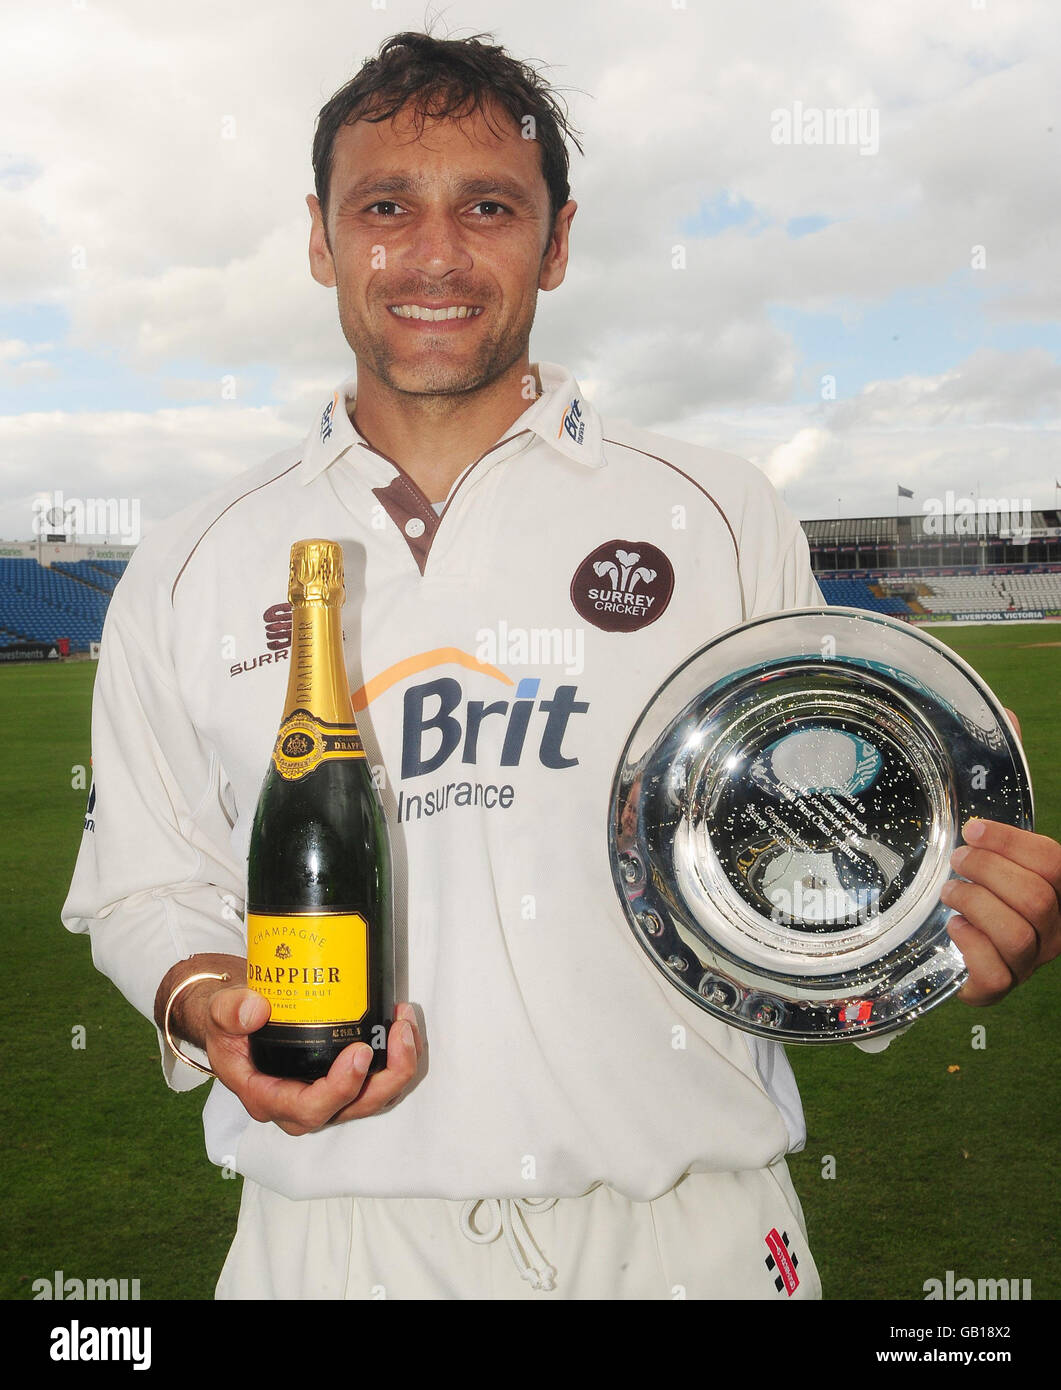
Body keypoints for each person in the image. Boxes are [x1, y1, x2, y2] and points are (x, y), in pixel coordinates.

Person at [61, 30, 1061, 1301]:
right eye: (384, 207)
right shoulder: (192, 559)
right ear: (319, 238)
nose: (433, 254)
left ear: (558, 240)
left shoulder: (716, 513)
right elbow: (146, 887)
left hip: (683, 1235)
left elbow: (821, 876)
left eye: (488, 207)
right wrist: (207, 1001)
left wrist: (952, 915)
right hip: (334, 1247)